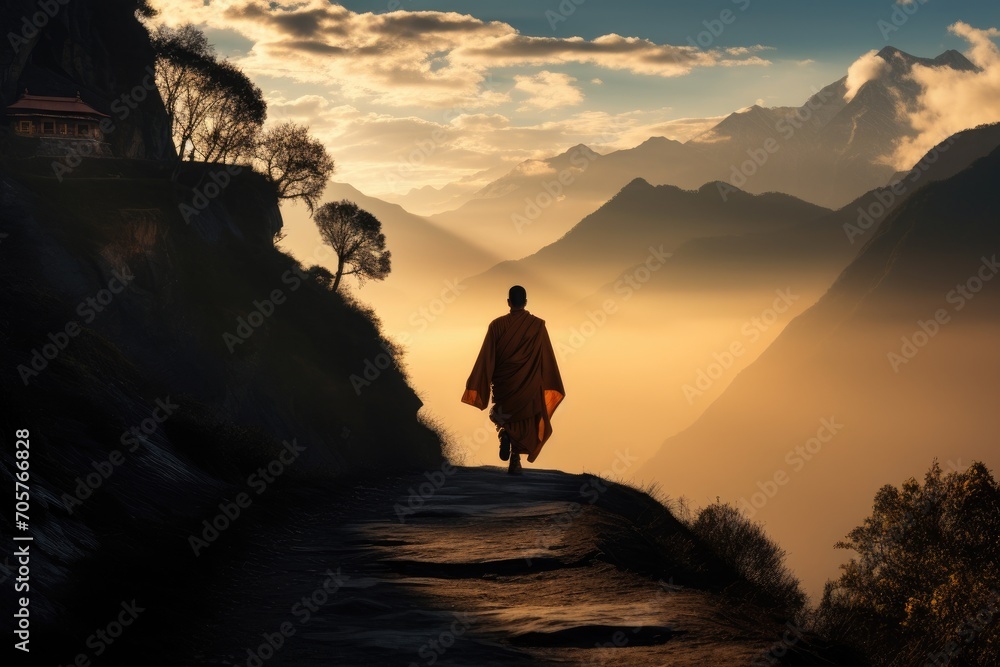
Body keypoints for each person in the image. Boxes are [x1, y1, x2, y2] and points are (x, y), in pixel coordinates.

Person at [461, 285, 565, 475]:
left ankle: (505, 434)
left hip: (504, 384)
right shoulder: (537, 326)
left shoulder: (496, 326)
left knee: (504, 415)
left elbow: (487, 357)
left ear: (508, 302)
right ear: (525, 302)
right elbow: (546, 358)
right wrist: (546, 381)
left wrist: (478, 381)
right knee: (525, 419)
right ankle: (515, 459)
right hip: (528, 383)